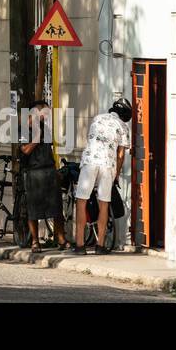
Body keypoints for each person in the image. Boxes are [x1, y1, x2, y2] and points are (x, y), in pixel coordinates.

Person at [72, 98, 132, 255]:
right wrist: (116, 174)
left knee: (81, 202)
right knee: (104, 204)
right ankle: (100, 245)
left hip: (90, 161)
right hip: (107, 165)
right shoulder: (123, 127)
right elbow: (120, 155)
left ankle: (79, 244)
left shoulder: (97, 118)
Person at [21, 100, 67, 253]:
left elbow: (48, 150)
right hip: (33, 172)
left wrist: (56, 169)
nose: (47, 116)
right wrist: (35, 140)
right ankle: (35, 241)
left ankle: (61, 239)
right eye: (45, 113)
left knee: (56, 208)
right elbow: (25, 151)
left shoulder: (44, 128)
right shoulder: (22, 129)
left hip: (49, 171)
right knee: (33, 209)